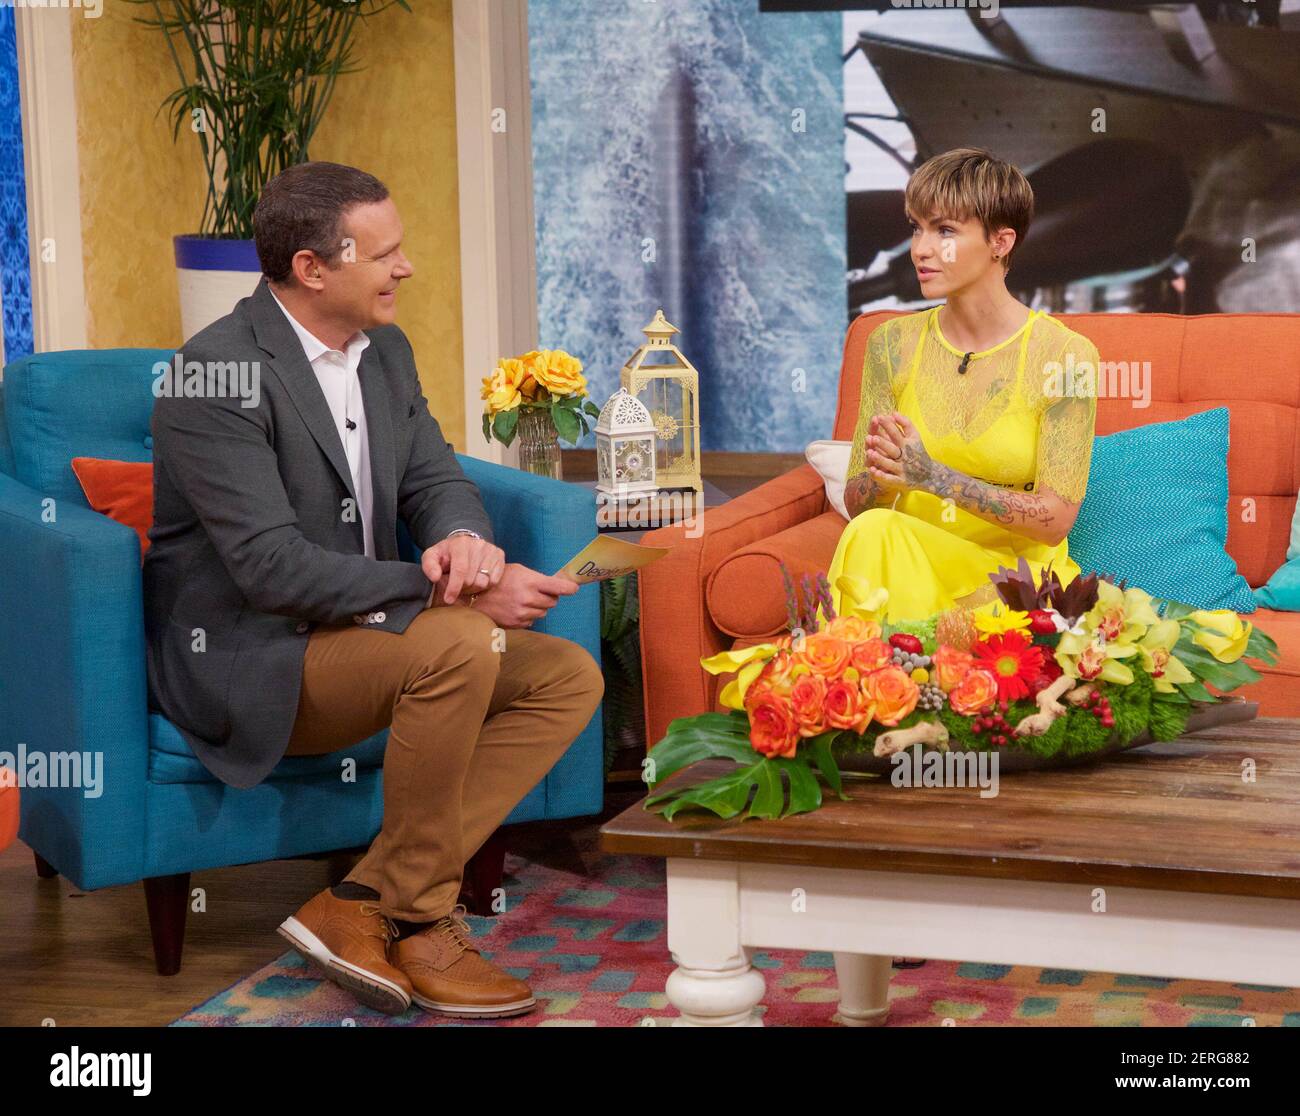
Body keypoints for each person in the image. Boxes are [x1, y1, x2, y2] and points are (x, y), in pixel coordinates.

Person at [144, 161, 604, 1019]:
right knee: (461, 641)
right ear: (314, 268)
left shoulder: (384, 351)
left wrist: (466, 544)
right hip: (258, 654)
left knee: (565, 675)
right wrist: (445, 598)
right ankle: (426, 919)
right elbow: (270, 569)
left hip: (371, 637)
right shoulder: (211, 375)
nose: (406, 268)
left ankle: (360, 904)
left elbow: (434, 479)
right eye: (385, 253)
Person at [829, 147, 1100, 621]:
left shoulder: (1065, 356)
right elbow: (858, 505)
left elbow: (1055, 522)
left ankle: (891, 676)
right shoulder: (889, 344)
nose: (920, 249)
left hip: (1012, 586)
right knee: (872, 533)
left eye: (945, 230)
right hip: (909, 565)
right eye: (917, 227)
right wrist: (884, 474)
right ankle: (885, 679)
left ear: (1001, 242)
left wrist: (932, 476)